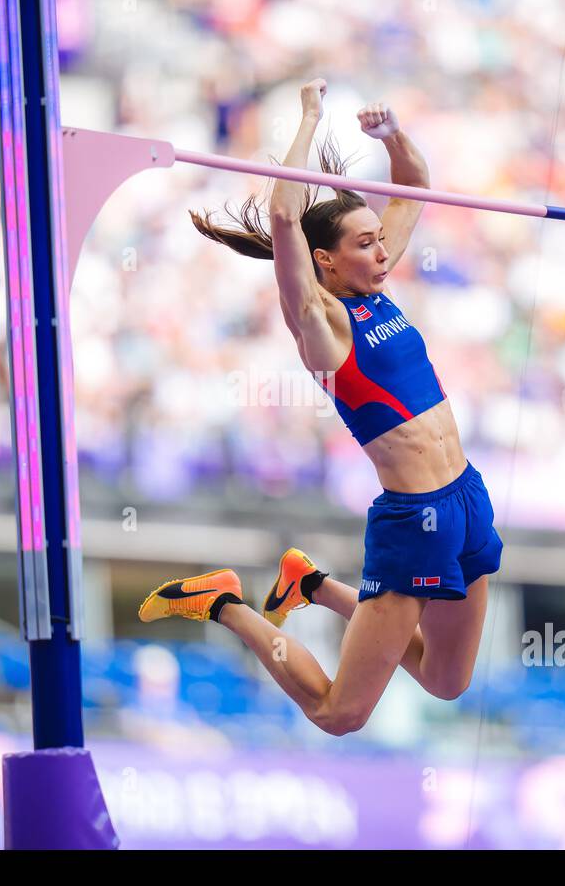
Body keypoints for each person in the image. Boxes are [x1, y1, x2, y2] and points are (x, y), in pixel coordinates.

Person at [138, 79, 503, 736]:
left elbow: (414, 178)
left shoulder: (373, 281)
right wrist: (309, 116)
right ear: (325, 262)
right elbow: (284, 218)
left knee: (449, 681)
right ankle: (224, 602)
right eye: (365, 242)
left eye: (378, 238)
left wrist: (390, 134)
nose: (382, 248)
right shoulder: (322, 324)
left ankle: (308, 584)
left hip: (467, 497)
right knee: (339, 713)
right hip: (414, 518)